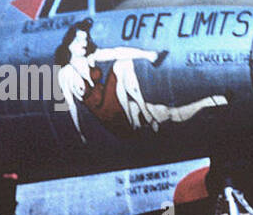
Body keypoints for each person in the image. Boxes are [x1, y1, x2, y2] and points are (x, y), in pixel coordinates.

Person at [53, 19, 226, 142]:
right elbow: (71, 106)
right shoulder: (65, 73)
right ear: (68, 43)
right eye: (78, 40)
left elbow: (117, 52)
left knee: (172, 113)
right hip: (107, 115)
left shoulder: (91, 58)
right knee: (123, 67)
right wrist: (80, 135)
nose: (83, 43)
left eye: (85, 39)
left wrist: (147, 55)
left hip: (119, 104)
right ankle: (143, 117)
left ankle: (210, 102)